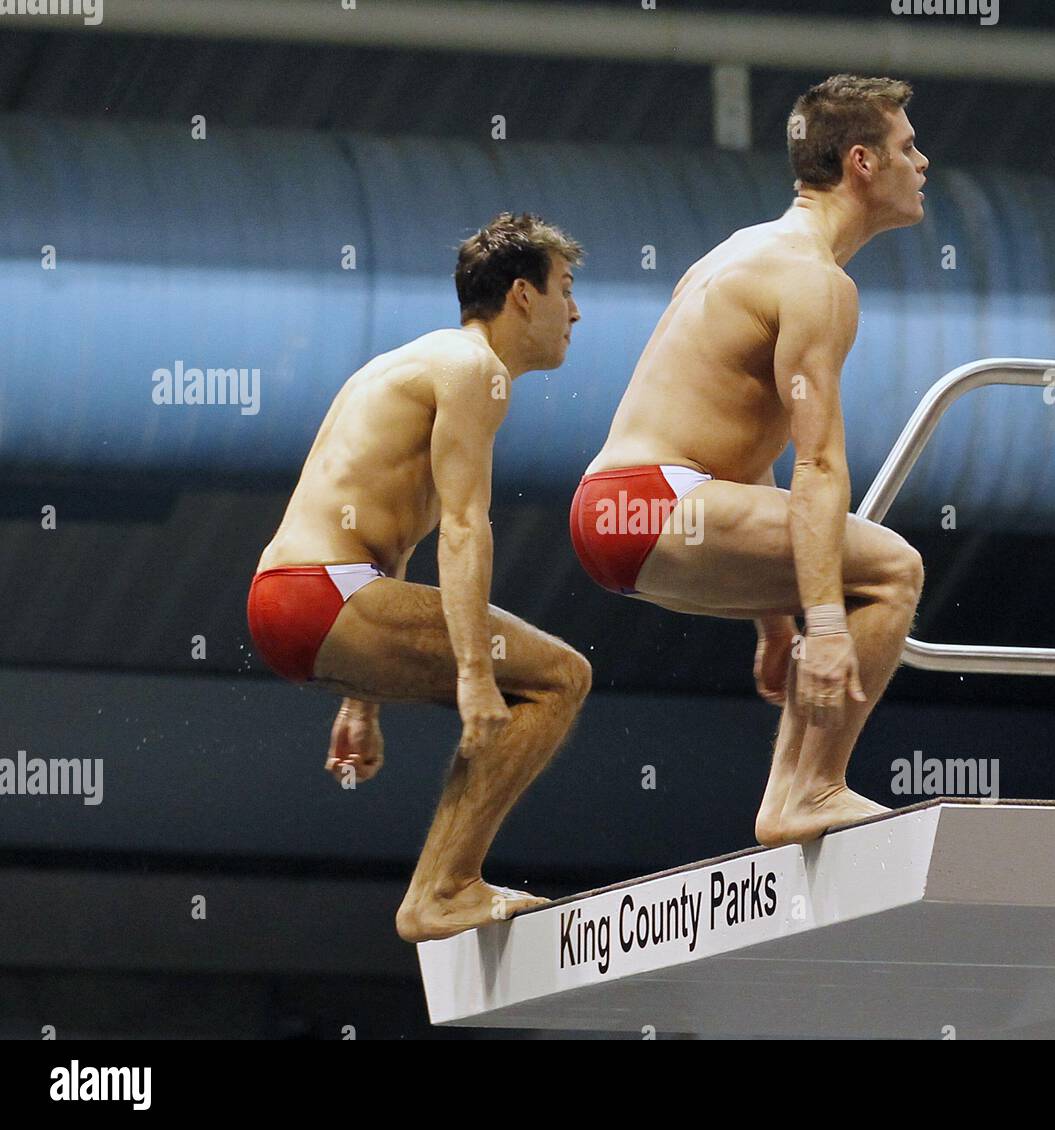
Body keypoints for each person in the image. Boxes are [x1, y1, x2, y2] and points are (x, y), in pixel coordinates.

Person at [571, 75, 927, 846]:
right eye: (907, 147)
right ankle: (809, 790)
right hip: (660, 502)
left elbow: (743, 449)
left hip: (616, 507)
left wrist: (775, 621)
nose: (922, 162)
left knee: (843, 568)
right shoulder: (817, 284)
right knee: (891, 570)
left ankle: (795, 796)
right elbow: (819, 466)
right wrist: (825, 624)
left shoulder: (740, 251)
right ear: (862, 162)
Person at [248, 213, 590, 941]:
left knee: (539, 676)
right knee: (560, 677)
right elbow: (465, 530)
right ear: (523, 296)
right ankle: (443, 890)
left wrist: (361, 701)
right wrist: (473, 673)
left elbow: (387, 535)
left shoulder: (415, 363)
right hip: (323, 591)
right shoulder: (475, 372)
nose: (577, 310)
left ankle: (444, 887)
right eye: (566, 288)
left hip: (296, 597)